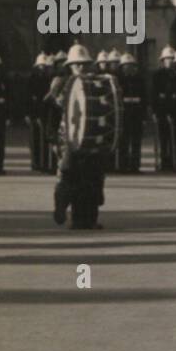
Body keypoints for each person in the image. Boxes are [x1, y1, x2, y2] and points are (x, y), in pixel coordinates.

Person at [50, 43, 107, 229]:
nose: (81, 67)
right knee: (69, 176)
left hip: (91, 138)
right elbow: (52, 110)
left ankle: (88, 219)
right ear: (70, 66)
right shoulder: (62, 83)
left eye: (84, 64)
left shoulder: (96, 83)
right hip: (69, 138)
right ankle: (63, 208)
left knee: (92, 178)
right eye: (77, 64)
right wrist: (52, 139)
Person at [117, 52, 146, 173]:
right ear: (122, 67)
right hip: (124, 113)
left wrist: (144, 117)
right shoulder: (118, 81)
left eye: (130, 65)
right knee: (123, 141)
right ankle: (123, 166)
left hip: (137, 114)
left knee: (136, 141)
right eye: (126, 66)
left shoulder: (139, 80)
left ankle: (135, 166)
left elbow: (144, 99)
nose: (128, 68)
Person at [151, 47, 176, 172]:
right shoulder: (157, 75)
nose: (170, 61)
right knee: (163, 138)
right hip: (162, 111)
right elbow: (154, 95)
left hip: (173, 111)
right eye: (168, 59)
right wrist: (155, 112)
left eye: (172, 59)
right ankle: (163, 162)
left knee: (173, 139)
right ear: (163, 61)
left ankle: (173, 161)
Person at [25, 53, 52, 172]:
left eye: (44, 66)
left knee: (45, 139)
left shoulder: (49, 79)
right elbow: (27, 98)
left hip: (45, 112)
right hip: (34, 113)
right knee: (35, 139)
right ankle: (35, 163)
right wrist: (29, 114)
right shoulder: (32, 79)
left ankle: (45, 163)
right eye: (41, 66)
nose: (43, 68)